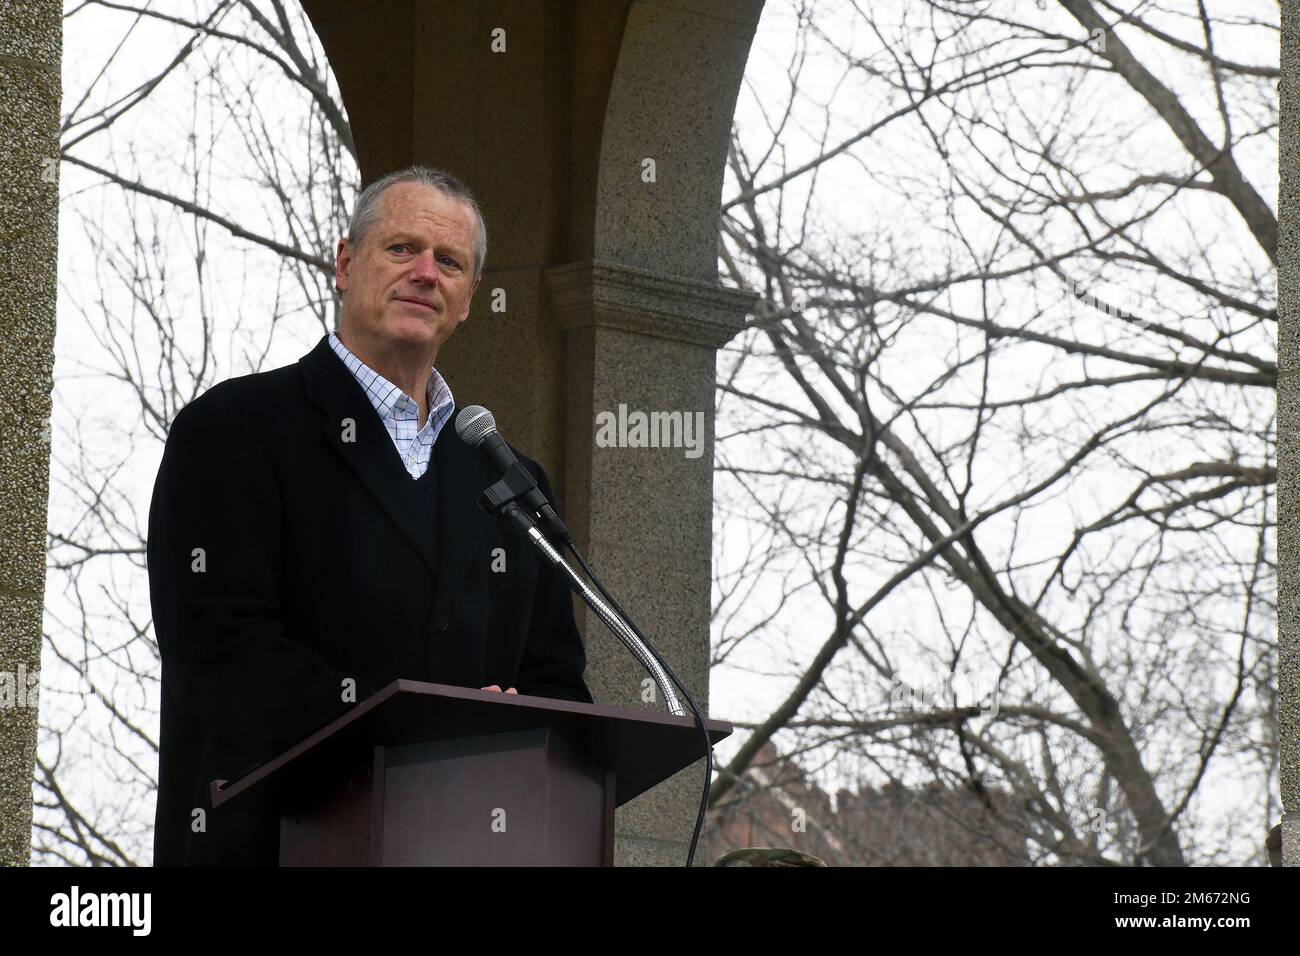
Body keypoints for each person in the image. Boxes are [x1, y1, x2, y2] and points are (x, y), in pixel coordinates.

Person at [148, 166, 592, 866]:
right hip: (279, 846)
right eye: (401, 249)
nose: (425, 272)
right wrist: (436, 733)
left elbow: (557, 683)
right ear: (346, 264)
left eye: (449, 262)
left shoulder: (509, 481)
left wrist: (513, 728)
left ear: (470, 298)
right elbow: (220, 650)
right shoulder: (235, 429)